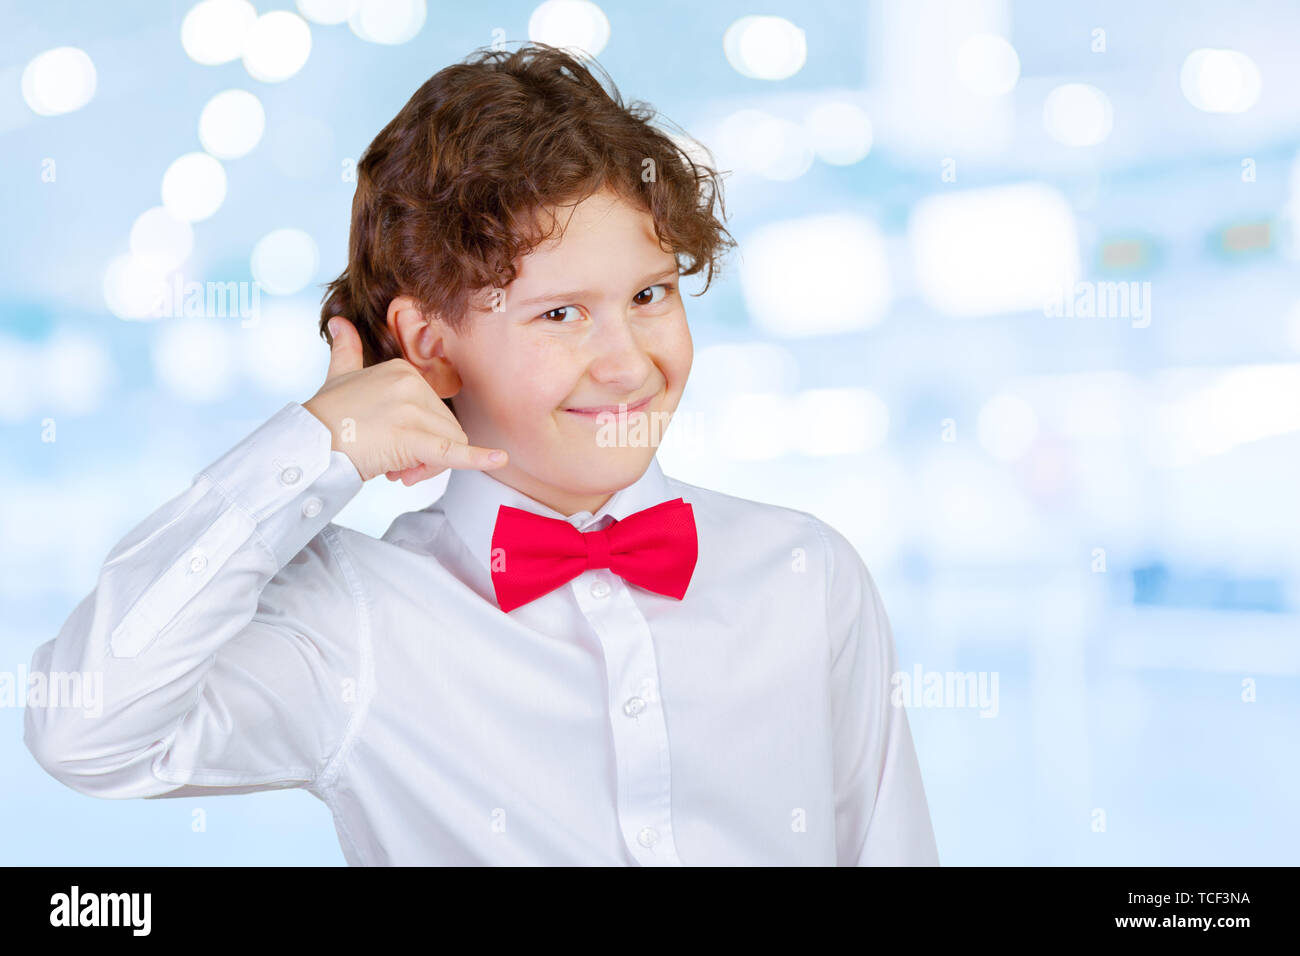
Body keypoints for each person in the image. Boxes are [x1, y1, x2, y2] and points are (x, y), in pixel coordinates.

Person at [24, 42, 938, 866]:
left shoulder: (805, 573)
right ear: (430, 346)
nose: (629, 364)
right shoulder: (357, 622)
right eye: (560, 314)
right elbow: (86, 727)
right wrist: (317, 446)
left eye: (652, 295)